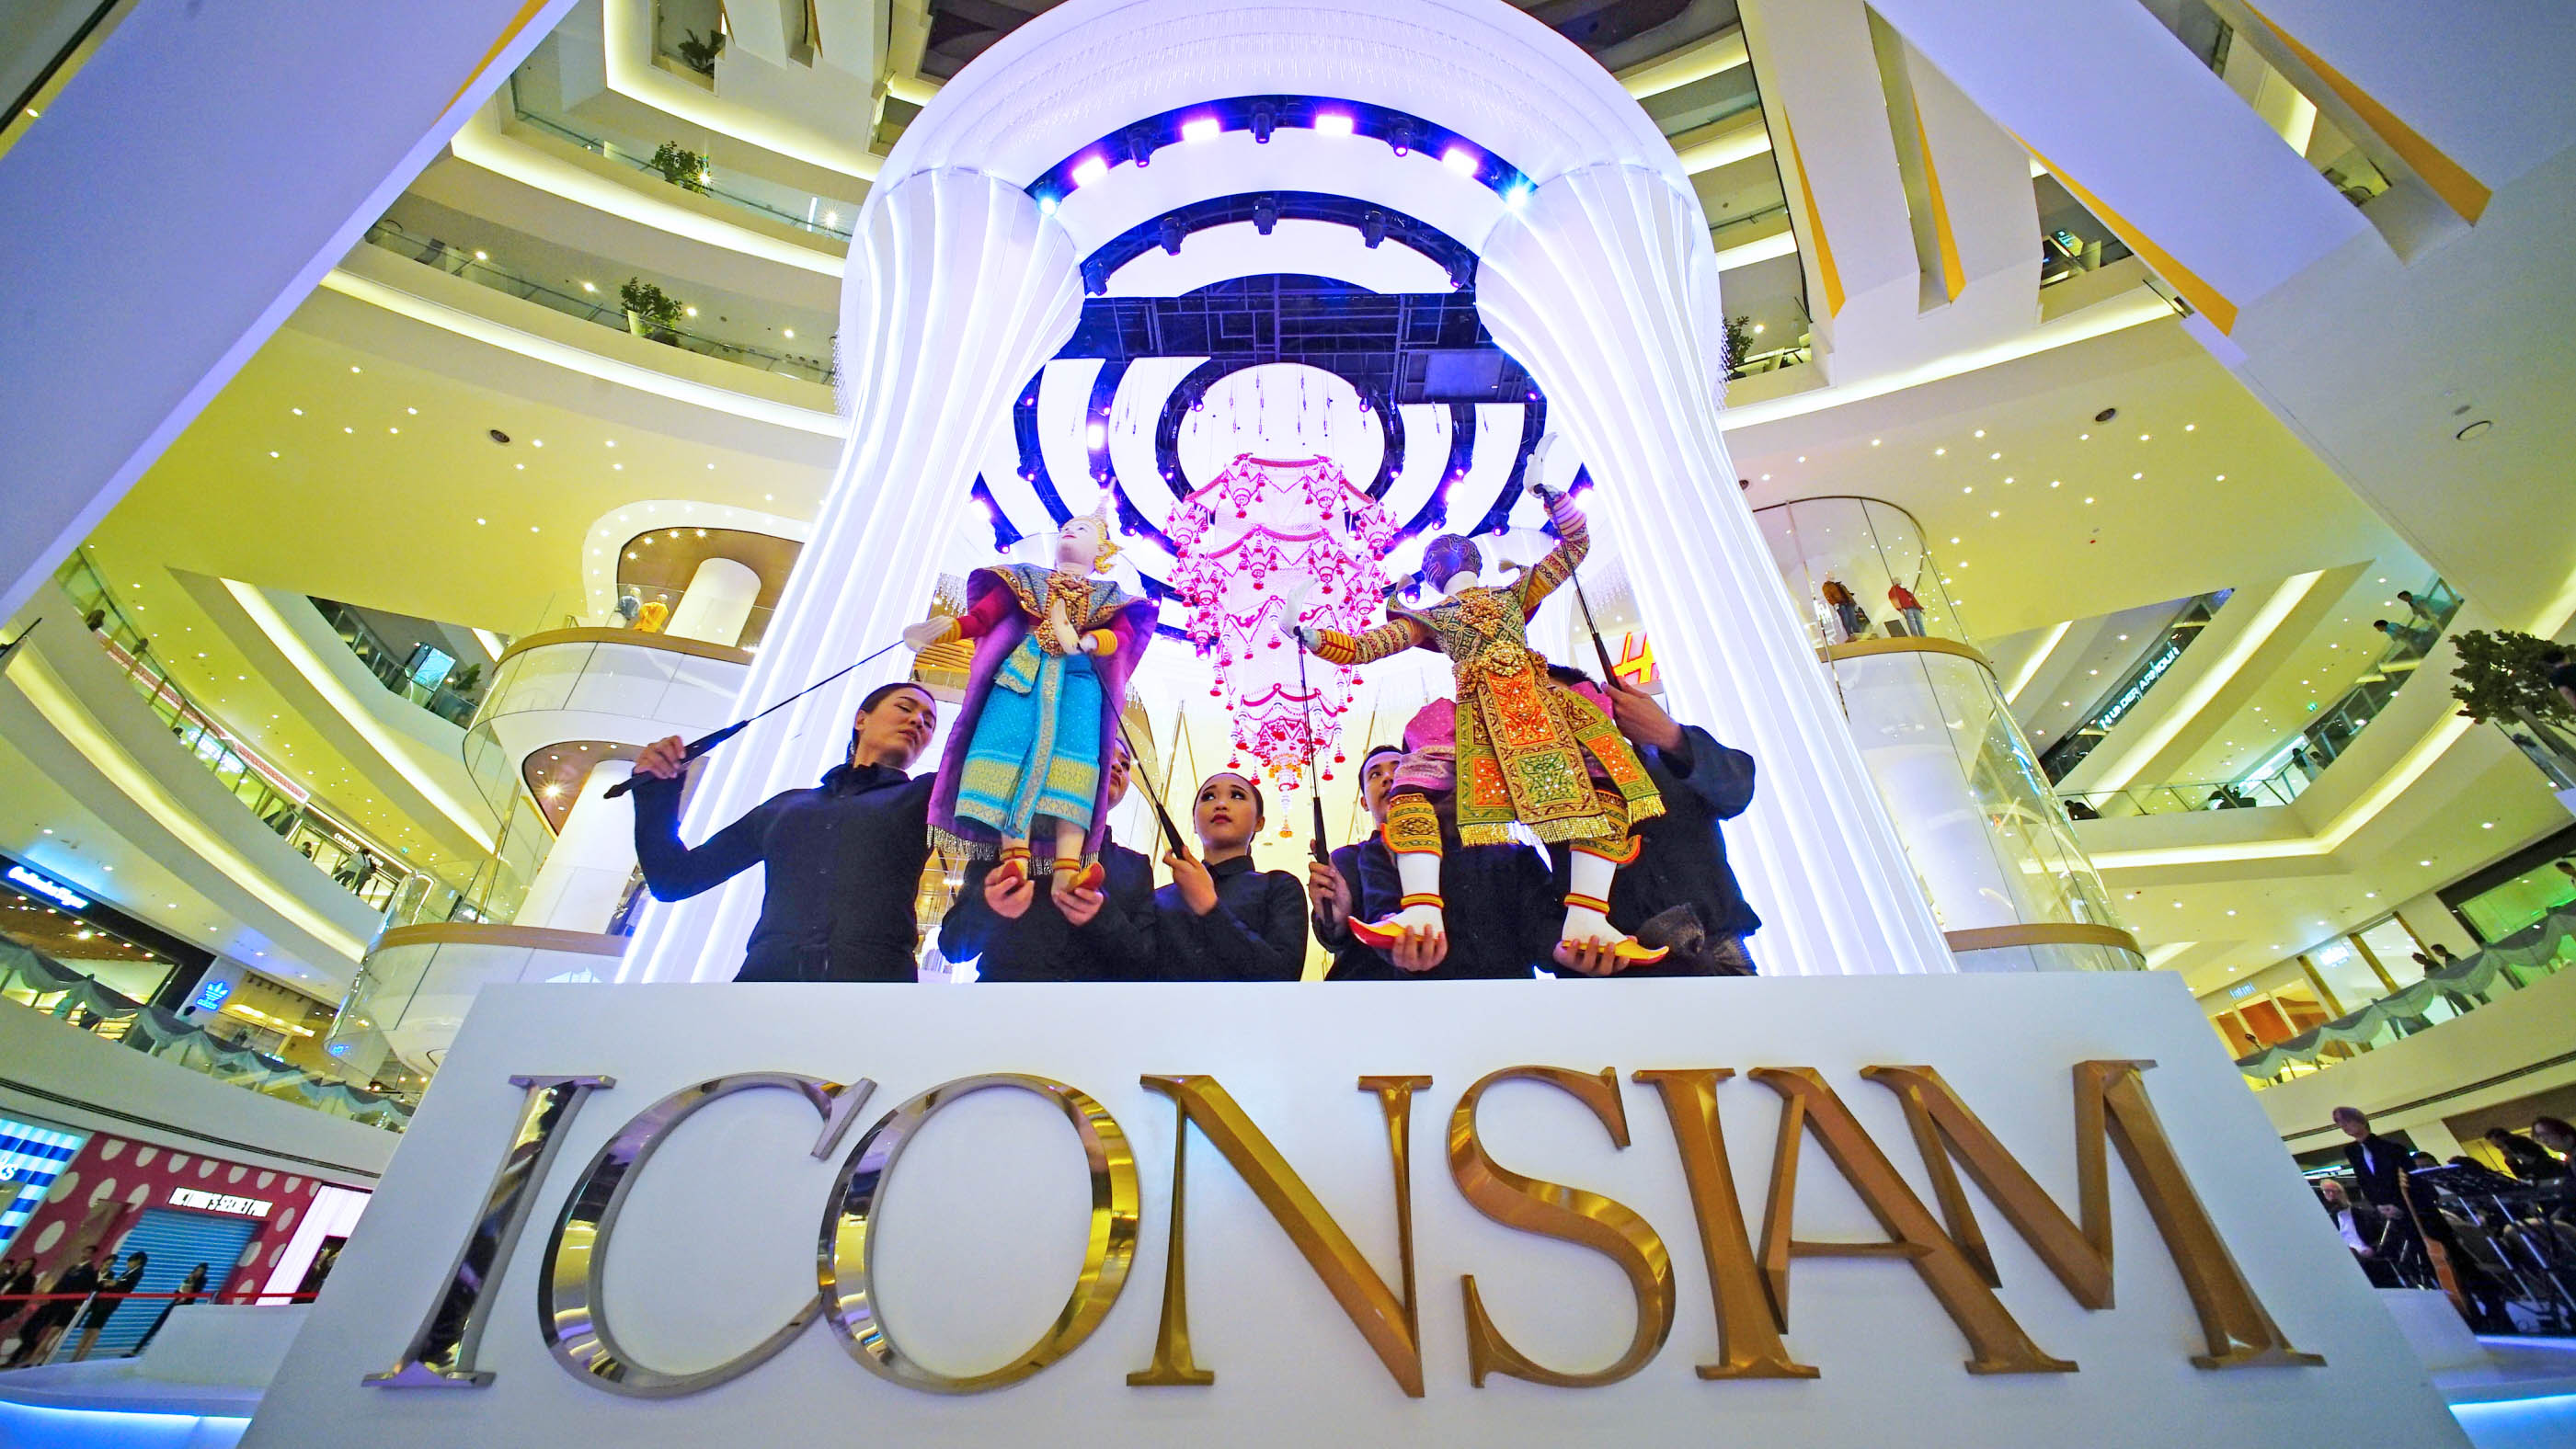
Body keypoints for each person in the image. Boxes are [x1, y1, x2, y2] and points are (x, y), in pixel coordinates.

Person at [1300, 487, 1668, 965]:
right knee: (1413, 786)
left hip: (1540, 705)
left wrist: (1554, 497)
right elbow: (1366, 646)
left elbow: (1574, 548)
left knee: (1600, 784)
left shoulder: (1511, 593)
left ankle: (1587, 916)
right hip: (1481, 718)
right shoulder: (1438, 614)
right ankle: (1421, 910)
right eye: (1438, 558)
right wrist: (1312, 637)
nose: (1447, 559)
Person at [905, 505, 1157, 897]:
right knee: (1010, 754)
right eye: (1067, 527)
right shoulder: (1024, 579)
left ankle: (1067, 868)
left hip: (1079, 685)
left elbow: (1122, 637)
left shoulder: (1111, 597)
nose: (1070, 532)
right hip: (1020, 674)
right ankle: (1014, 857)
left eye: (1082, 530)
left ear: (1101, 551)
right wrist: (948, 629)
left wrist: (1090, 641)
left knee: (1074, 768)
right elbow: (984, 617)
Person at [629, 681, 943, 982]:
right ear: (861, 719)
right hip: (765, 988)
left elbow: (969, 759)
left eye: (929, 723)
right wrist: (657, 787)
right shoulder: (786, 806)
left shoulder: (927, 797)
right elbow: (674, 879)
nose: (918, 721)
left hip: (872, 993)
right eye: (905, 708)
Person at [1556, 673, 1762, 977]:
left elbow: (1737, 789)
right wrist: (1557, 947)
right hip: (1614, 973)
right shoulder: (1538, 796)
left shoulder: (1663, 759)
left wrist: (1670, 735)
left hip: (1720, 960)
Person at [939, 739, 1155, 982]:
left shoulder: (1134, 867)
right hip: (1002, 998)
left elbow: (1144, 967)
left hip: (1086, 1005)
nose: (1117, 766)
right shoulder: (1007, 846)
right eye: (1104, 755)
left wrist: (1103, 917)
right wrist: (988, 906)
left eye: (1125, 765)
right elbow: (952, 946)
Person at [1154, 773, 1306, 981]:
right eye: (1208, 797)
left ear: (1259, 822)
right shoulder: (1159, 899)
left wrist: (1210, 908)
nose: (1221, 804)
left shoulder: (1279, 887)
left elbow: (1283, 978)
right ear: (1194, 824)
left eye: (1237, 795)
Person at [1310, 745, 1403, 979]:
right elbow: (1333, 938)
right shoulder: (1347, 860)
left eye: (1398, 769)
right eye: (1375, 774)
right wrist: (1336, 921)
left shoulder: (1451, 848)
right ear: (1364, 802)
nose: (1388, 778)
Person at [6, 1245, 100, 1366]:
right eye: (85, 1251)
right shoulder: (72, 1267)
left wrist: (77, 1305)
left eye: (89, 1253)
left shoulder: (90, 1272)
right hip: (52, 1301)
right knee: (28, 1328)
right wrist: (49, 1296)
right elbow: (59, 1284)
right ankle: (31, 1350)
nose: (85, 1254)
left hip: (66, 1306)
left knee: (40, 1331)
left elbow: (86, 1290)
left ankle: (18, 1359)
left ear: (93, 1256)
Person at [2318, 1178, 2399, 1288]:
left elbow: (2386, 1236)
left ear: (2343, 1193)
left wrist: (2373, 1249)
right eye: (2327, 1192)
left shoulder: (2364, 1215)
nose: (2332, 1195)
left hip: (2367, 1256)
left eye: (2335, 1191)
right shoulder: (2325, 1222)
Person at [70, 1249, 143, 1361]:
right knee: (89, 1329)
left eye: (130, 1261)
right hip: (103, 1302)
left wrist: (112, 1284)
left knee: (94, 1330)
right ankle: (76, 1357)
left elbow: (122, 1285)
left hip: (108, 1304)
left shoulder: (137, 1273)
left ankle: (80, 1358)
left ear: (138, 1261)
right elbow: (119, 1282)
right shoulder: (128, 1273)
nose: (128, 1264)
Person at [130, 1263, 207, 1356]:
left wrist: (191, 1282)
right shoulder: (189, 1277)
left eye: (201, 1271)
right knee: (156, 1326)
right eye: (198, 1270)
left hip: (185, 1308)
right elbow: (178, 1291)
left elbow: (196, 1291)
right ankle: (135, 1350)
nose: (198, 1273)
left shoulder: (202, 1281)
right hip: (175, 1304)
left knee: (173, 1331)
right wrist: (185, 1285)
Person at [2489, 1126, 2570, 1181]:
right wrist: (2512, 1162)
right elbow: (2523, 1178)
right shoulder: (2526, 1167)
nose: (2502, 1150)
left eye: (2500, 1146)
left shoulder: (2549, 1165)